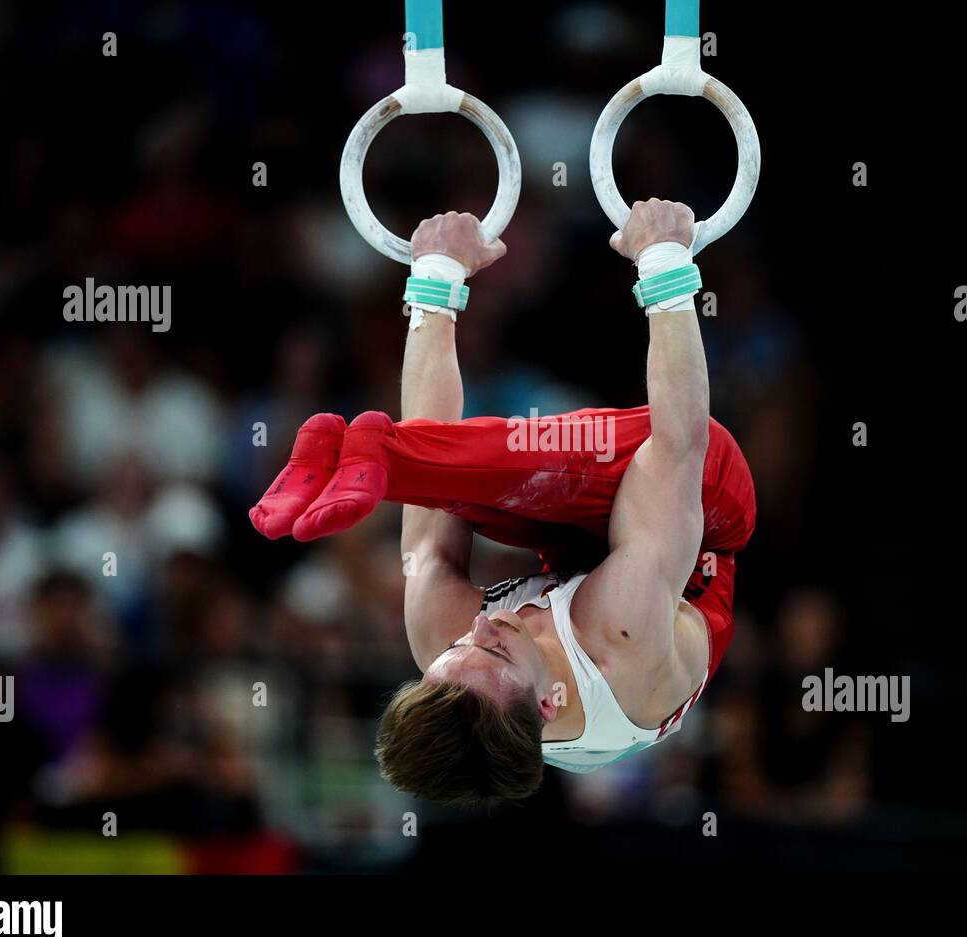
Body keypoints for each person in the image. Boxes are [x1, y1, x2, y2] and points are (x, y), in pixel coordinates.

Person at [250, 200, 755, 804]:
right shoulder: (619, 640)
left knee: (452, 487)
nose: (482, 624)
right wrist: (664, 260)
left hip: (572, 551)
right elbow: (679, 444)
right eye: (493, 646)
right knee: (566, 453)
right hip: (703, 520)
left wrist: (436, 280)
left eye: (462, 647)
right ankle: (373, 452)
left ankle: (375, 456)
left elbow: (439, 465)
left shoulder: (447, 650)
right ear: (548, 704)